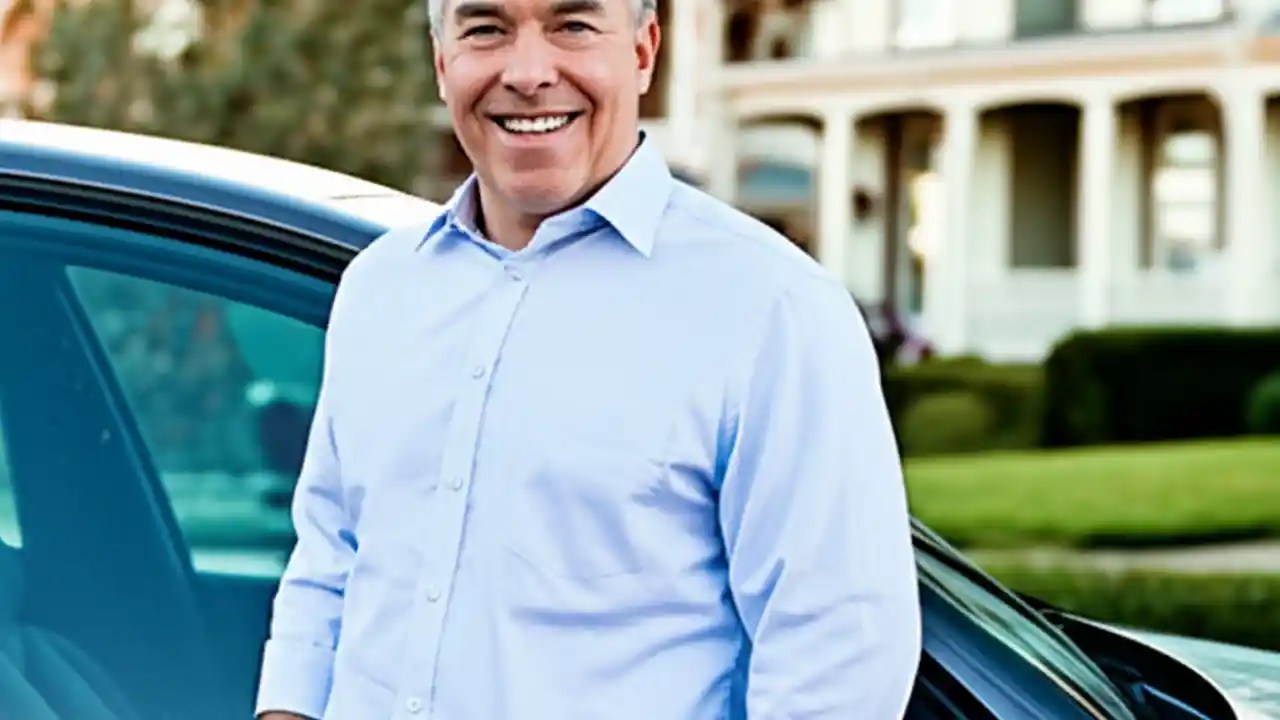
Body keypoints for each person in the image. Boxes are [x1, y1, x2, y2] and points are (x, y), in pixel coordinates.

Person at [254, 0, 921, 717]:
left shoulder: (772, 310)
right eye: (486, 29)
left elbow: (837, 656)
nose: (528, 73)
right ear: (443, 61)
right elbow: (330, 564)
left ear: (643, 51)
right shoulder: (379, 290)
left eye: (572, 26)